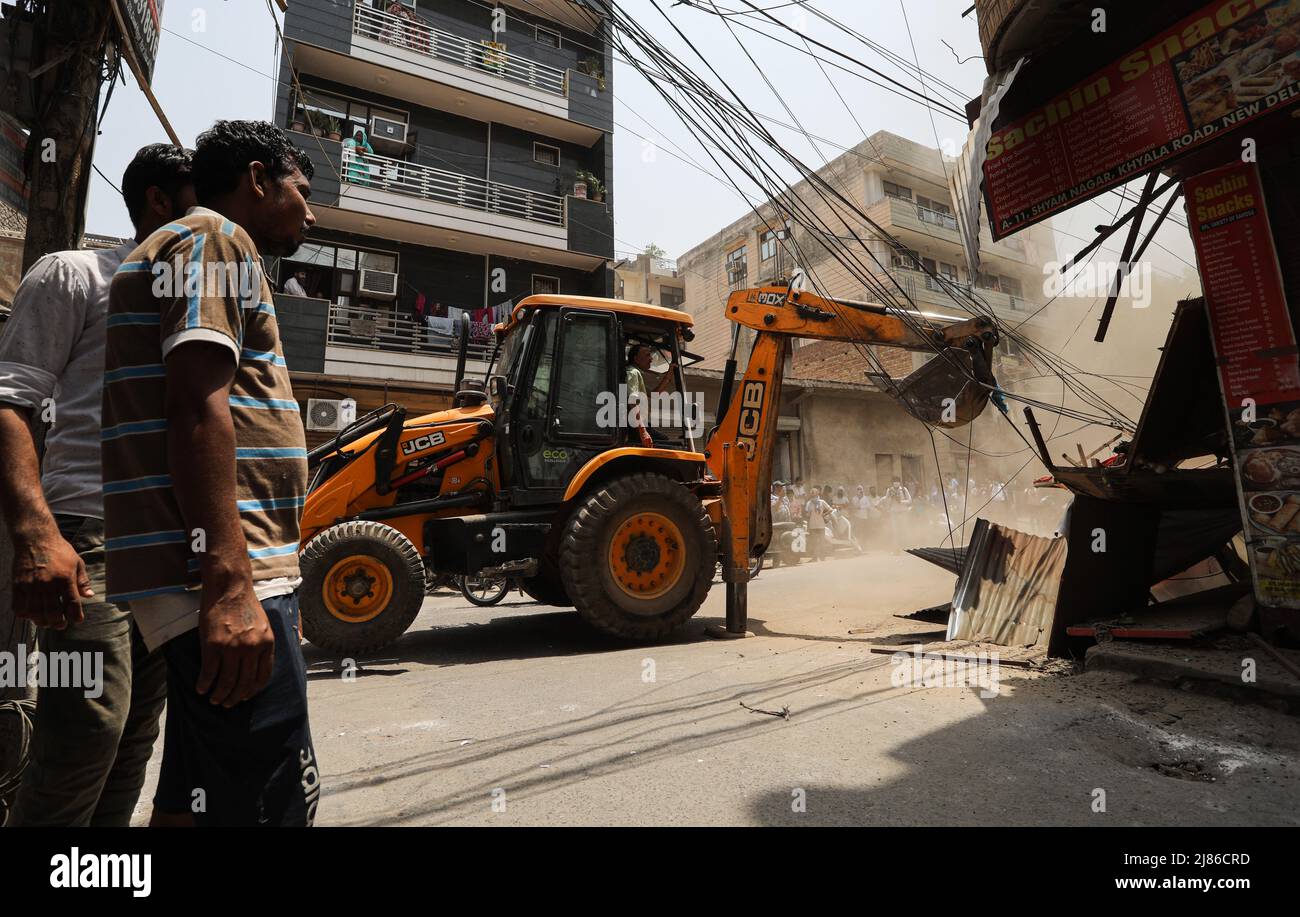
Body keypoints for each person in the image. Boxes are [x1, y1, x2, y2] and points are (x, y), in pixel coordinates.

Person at [104, 121, 319, 827]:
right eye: (302, 191)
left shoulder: (197, 247)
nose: (310, 213)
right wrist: (229, 583)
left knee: (193, 803)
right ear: (259, 179)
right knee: (276, 801)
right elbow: (196, 400)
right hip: (228, 574)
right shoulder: (214, 239)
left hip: (204, 574)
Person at [0, 144, 195, 826]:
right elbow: (11, 401)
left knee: (134, 740)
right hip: (89, 529)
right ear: (159, 203)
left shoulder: (197, 306)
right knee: (86, 730)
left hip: (170, 546)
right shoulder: (74, 273)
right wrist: (36, 532)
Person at [883, 476, 912, 554]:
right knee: (895, 531)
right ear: (892, 482)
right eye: (894, 481)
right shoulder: (889, 490)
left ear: (899, 482)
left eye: (897, 481)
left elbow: (909, 500)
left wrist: (901, 501)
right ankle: (896, 549)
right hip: (894, 513)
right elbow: (886, 501)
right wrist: (891, 498)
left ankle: (905, 548)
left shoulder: (903, 489)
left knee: (904, 530)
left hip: (903, 512)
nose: (896, 482)